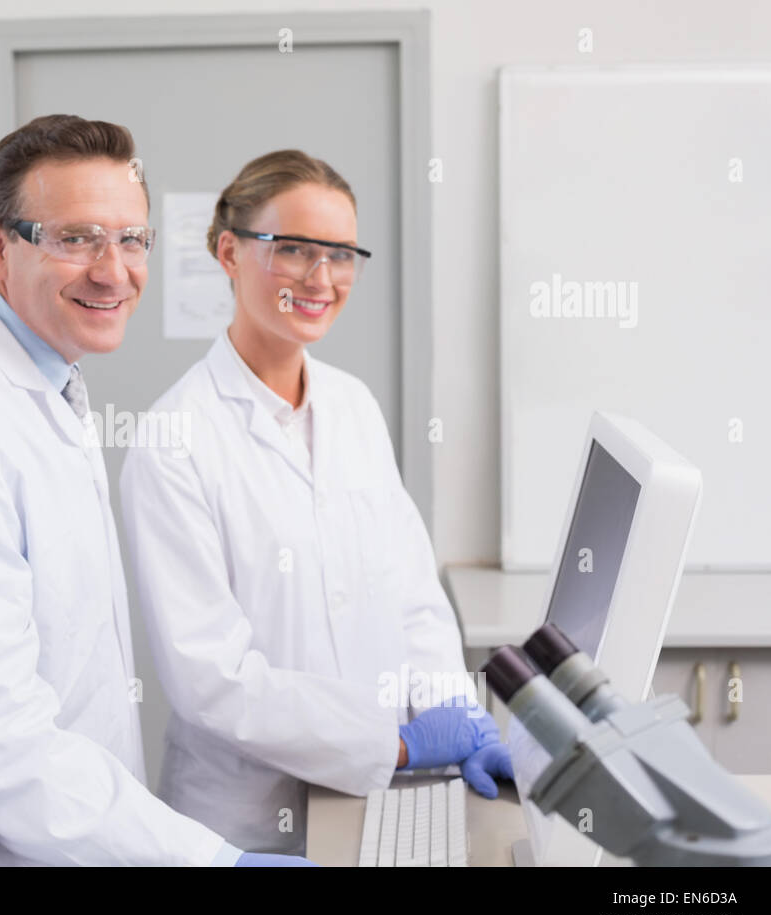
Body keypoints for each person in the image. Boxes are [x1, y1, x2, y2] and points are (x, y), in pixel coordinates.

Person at [0, 116, 310, 866]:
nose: (114, 272)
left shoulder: (45, 368)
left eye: (131, 239)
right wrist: (212, 862)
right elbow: (0, 738)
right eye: (78, 238)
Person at [119, 150, 513, 855]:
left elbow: (412, 598)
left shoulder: (353, 406)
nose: (322, 278)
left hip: (374, 796)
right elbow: (212, 681)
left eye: (340, 254)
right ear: (229, 252)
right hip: (244, 822)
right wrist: (395, 744)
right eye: (294, 249)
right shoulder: (173, 439)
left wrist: (458, 716)